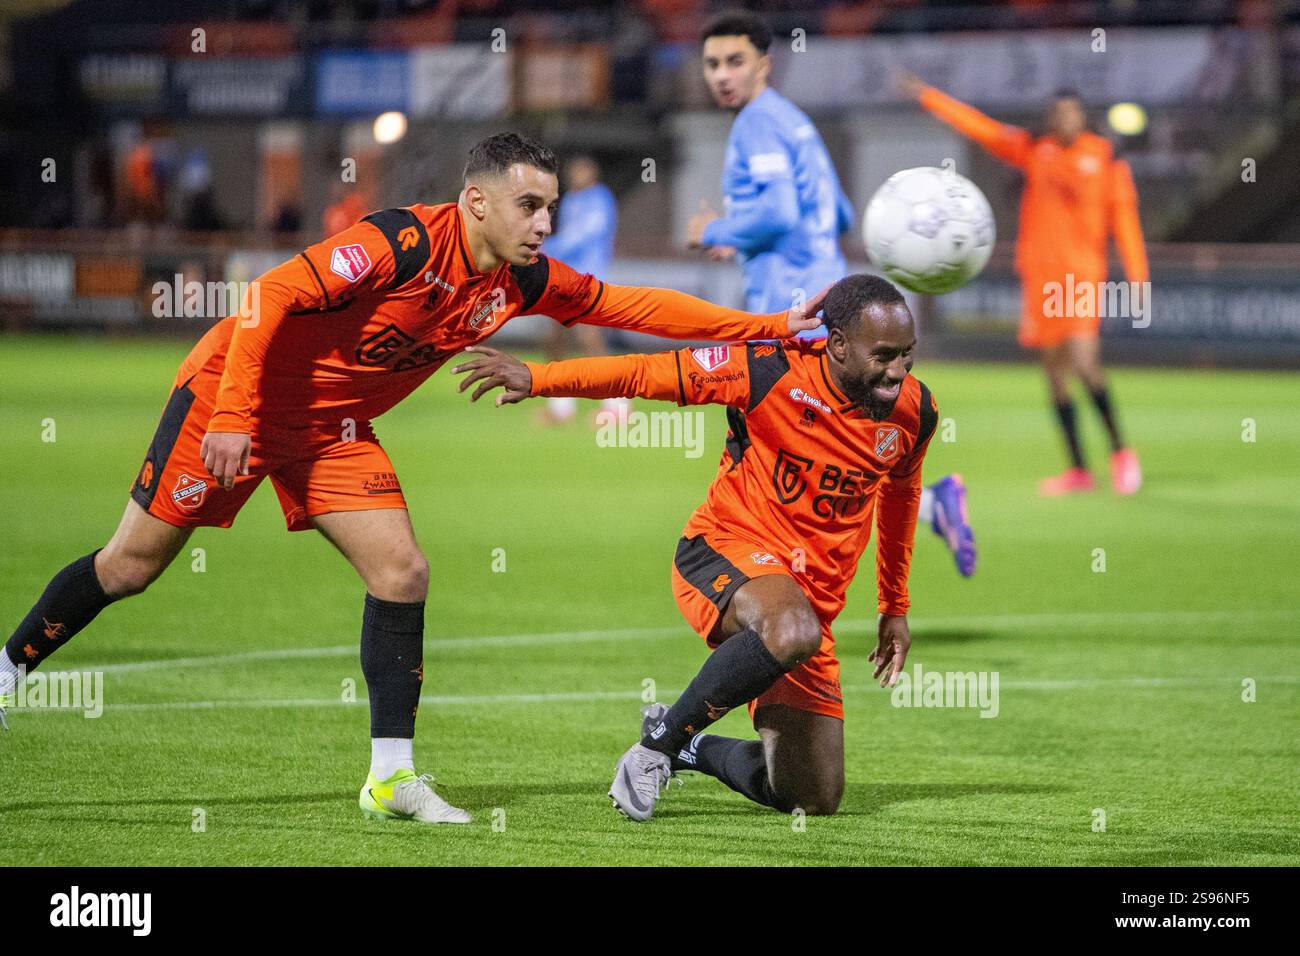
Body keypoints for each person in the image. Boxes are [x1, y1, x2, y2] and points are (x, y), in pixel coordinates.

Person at [0, 133, 823, 826]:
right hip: (233, 399)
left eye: (550, 209)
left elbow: (632, 308)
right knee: (129, 568)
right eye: (529, 207)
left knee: (403, 571)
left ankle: (390, 777)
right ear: (475, 203)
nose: (545, 224)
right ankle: (7, 673)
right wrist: (230, 414)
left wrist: (768, 328)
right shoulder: (399, 243)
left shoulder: (518, 281)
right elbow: (264, 299)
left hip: (335, 432)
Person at [452, 274, 933, 820]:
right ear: (838, 344)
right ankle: (653, 750)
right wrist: (538, 377)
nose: (897, 371)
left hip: (809, 608)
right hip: (724, 551)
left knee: (811, 798)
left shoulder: (915, 413)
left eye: (907, 355)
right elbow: (644, 372)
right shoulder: (768, 369)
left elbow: (902, 497)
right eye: (884, 355)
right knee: (790, 627)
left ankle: (689, 745)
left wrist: (894, 606)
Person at [689, 9, 975, 575]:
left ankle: (756, 581)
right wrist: (755, 240)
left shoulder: (755, 125)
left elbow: (776, 210)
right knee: (818, 448)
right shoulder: (796, 123)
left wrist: (718, 231)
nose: (722, 74)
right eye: (712, 64)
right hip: (830, 306)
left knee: (768, 449)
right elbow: (836, 211)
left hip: (790, 314)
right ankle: (930, 504)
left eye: (735, 61)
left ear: (764, 65)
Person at [899, 71, 1147, 495]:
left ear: (1082, 118)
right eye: (1058, 114)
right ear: (1051, 120)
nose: (1066, 120)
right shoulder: (1036, 150)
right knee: (1054, 375)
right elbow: (981, 128)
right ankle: (1078, 470)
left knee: (1086, 363)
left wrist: (1138, 278)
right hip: (1041, 280)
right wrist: (928, 96)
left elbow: (1125, 222)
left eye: (1072, 113)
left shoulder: (1105, 160)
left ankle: (1122, 453)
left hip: (1082, 279)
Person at [537, 154, 626, 425]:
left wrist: (547, 249)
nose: (575, 176)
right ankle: (561, 406)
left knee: (590, 337)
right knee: (555, 337)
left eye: (581, 171)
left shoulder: (600, 199)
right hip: (565, 277)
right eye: (573, 172)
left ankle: (617, 405)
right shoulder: (572, 200)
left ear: (593, 174)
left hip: (590, 277)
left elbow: (584, 237)